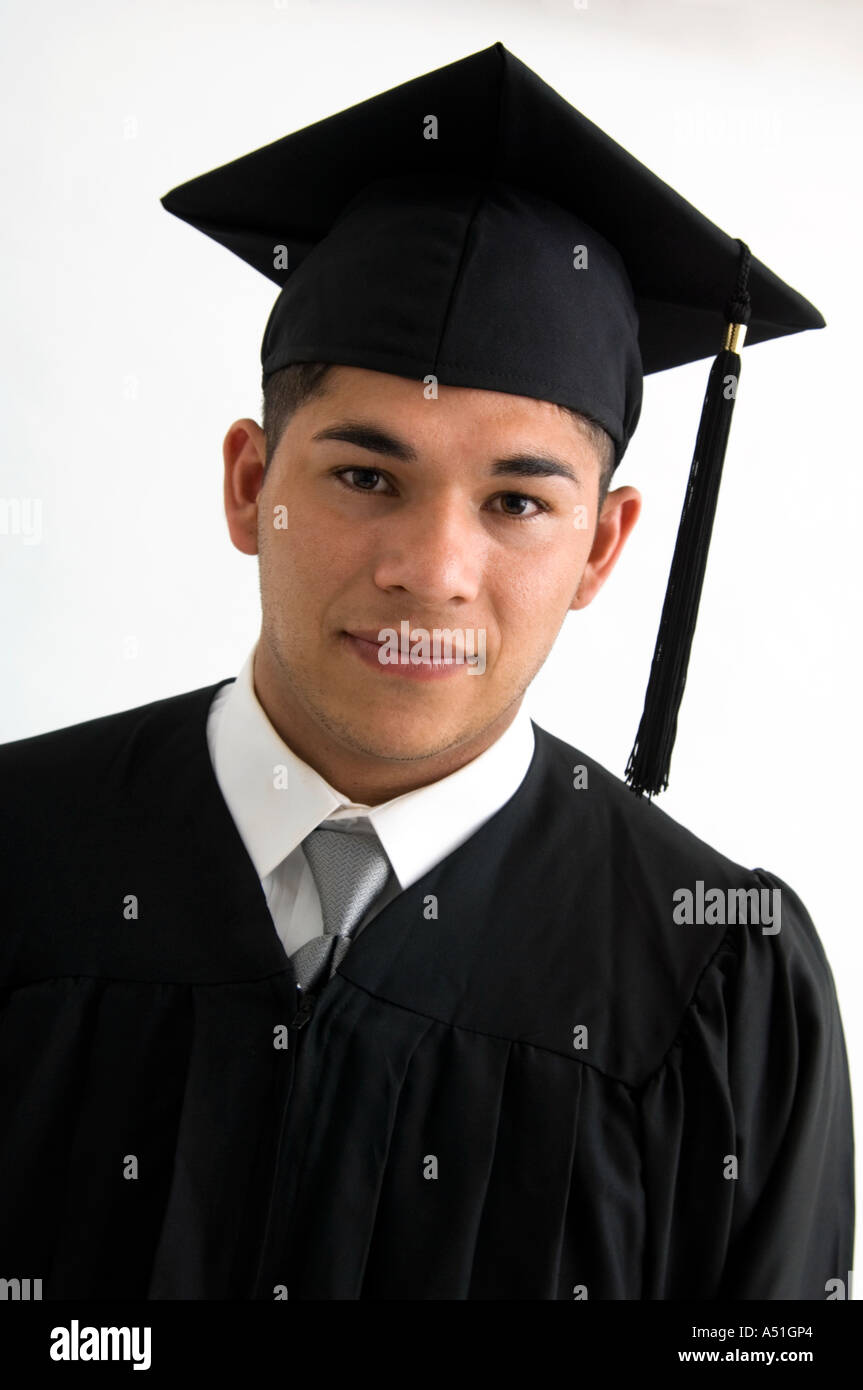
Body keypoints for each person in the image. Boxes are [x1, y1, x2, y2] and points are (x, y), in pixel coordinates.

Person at [0, 41, 853, 1300]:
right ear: (249, 486)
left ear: (602, 547)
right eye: (363, 477)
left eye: (515, 501)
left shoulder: (717, 982)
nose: (432, 567)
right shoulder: (20, 853)